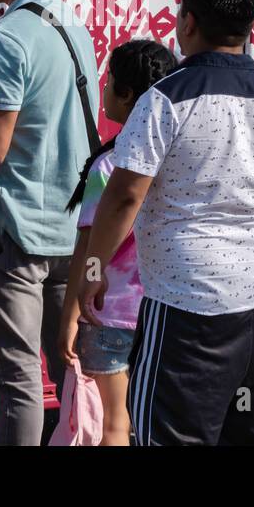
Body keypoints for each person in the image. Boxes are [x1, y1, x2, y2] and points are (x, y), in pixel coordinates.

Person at [79, 0, 254, 446]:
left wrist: (92, 271)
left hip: (187, 312)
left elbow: (124, 197)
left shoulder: (165, 100)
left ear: (187, 21)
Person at [0, 0, 99, 446]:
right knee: (72, 369)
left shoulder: (3, 39)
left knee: (17, 382)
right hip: (74, 229)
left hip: (16, 231)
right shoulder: (77, 28)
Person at [58, 39, 179, 445]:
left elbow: (88, 250)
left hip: (107, 315)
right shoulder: (176, 162)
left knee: (114, 424)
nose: (104, 89)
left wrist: (70, 315)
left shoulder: (110, 165)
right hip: (165, 313)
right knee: (158, 423)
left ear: (126, 96)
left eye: (109, 81)